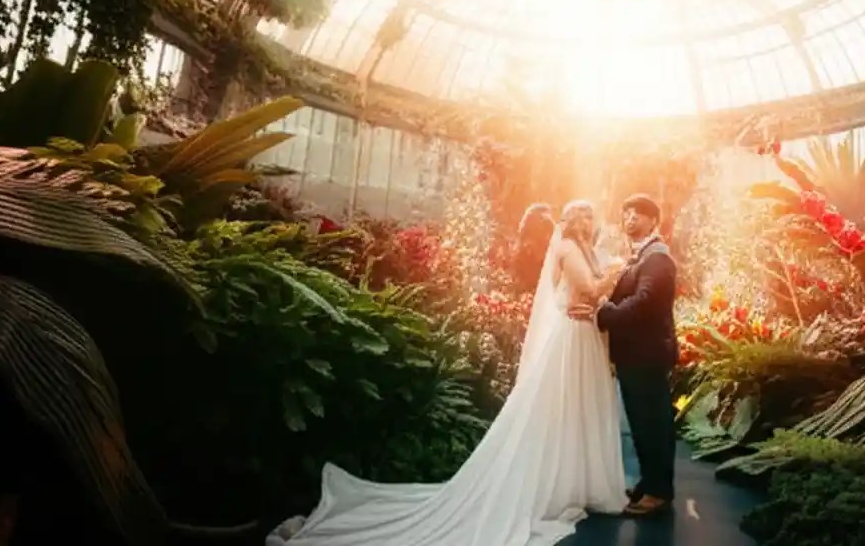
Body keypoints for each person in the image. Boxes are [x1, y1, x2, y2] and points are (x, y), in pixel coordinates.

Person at [268, 200, 628, 546]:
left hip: (585, 336)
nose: (588, 222)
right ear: (571, 221)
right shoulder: (568, 248)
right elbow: (590, 290)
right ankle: (555, 484)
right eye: (583, 216)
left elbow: (594, 295)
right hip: (570, 339)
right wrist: (617, 270)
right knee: (560, 409)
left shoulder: (585, 250)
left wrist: (605, 283)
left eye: (590, 216)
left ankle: (578, 481)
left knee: (579, 410)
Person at [568, 194, 678, 517]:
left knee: (652, 422)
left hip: (647, 354)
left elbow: (645, 301)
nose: (630, 218)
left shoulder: (657, 258)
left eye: (638, 214)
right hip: (636, 353)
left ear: (653, 221)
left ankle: (658, 492)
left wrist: (605, 313)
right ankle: (649, 482)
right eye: (627, 213)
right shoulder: (641, 256)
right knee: (642, 422)